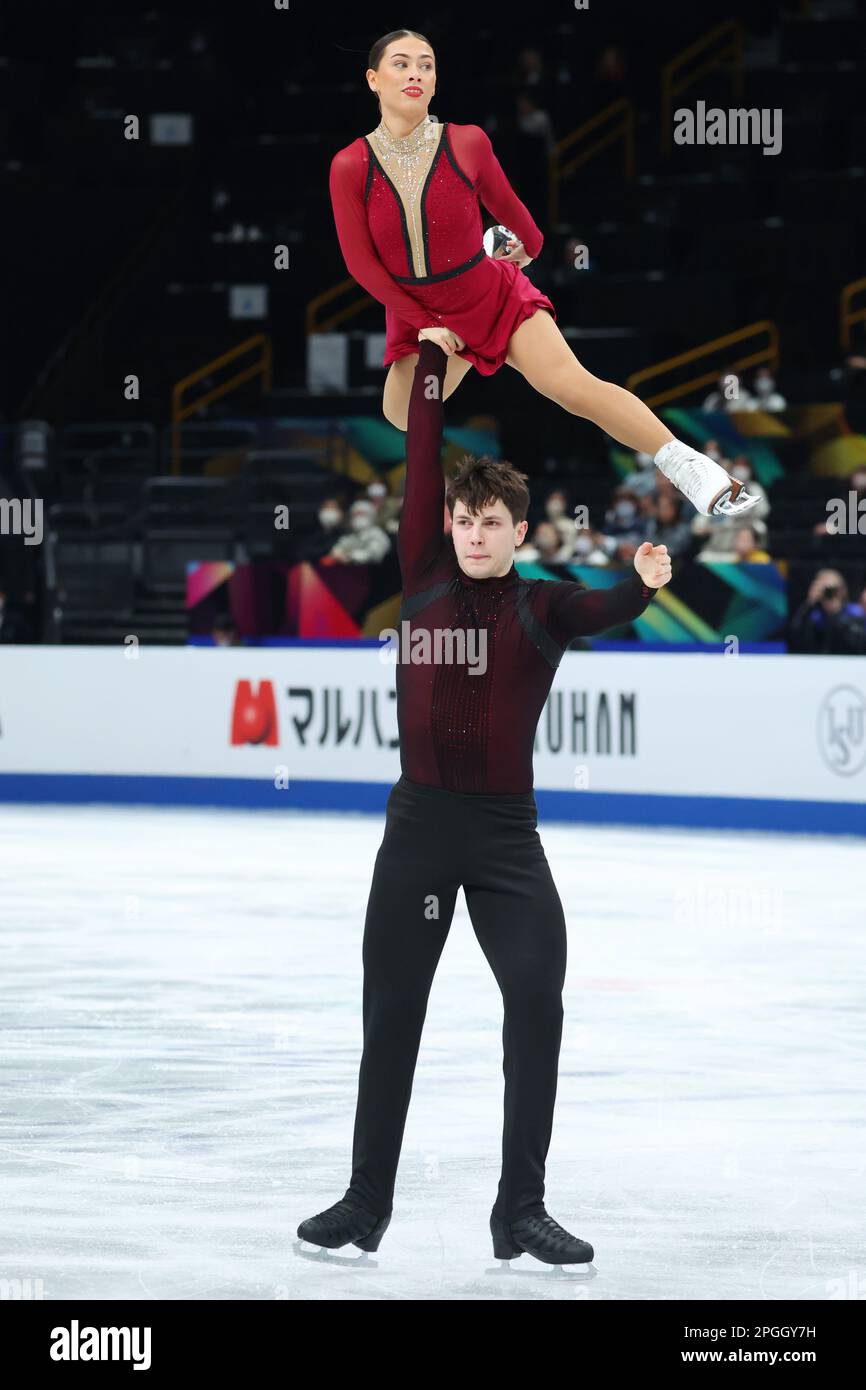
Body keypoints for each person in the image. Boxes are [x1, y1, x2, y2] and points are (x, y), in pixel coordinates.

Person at [296, 337, 672, 1267]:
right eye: (465, 518)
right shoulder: (420, 574)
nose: (473, 532)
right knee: (393, 1011)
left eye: (491, 522)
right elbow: (420, 449)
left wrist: (645, 582)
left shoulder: (543, 608)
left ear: (517, 531)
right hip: (418, 831)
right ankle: (365, 1202)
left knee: (536, 1000)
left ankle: (520, 1210)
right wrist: (429, 360)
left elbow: (604, 608)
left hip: (506, 841)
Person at [327, 29, 760, 520]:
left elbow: (529, 235)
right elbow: (360, 265)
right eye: (401, 64)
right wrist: (423, 321)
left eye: (426, 65)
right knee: (399, 415)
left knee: (571, 386)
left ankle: (690, 466)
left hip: (489, 298)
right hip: (421, 318)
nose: (415, 74)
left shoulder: (466, 142)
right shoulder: (349, 165)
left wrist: (511, 249)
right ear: (372, 79)